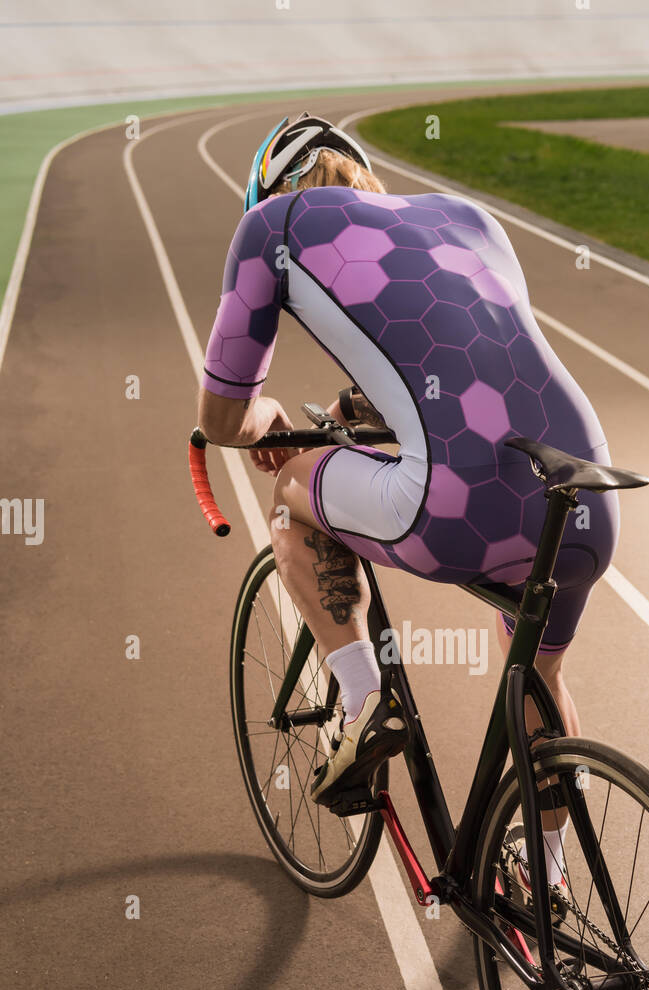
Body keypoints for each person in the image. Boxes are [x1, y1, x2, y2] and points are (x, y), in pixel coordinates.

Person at [197, 113, 618, 887]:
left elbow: (222, 415)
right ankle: (548, 874)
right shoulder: (466, 217)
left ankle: (366, 704)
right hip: (584, 490)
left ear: (267, 189)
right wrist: (370, 410)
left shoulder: (268, 225)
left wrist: (277, 426)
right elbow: (471, 364)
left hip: (457, 500)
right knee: (536, 671)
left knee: (294, 496)